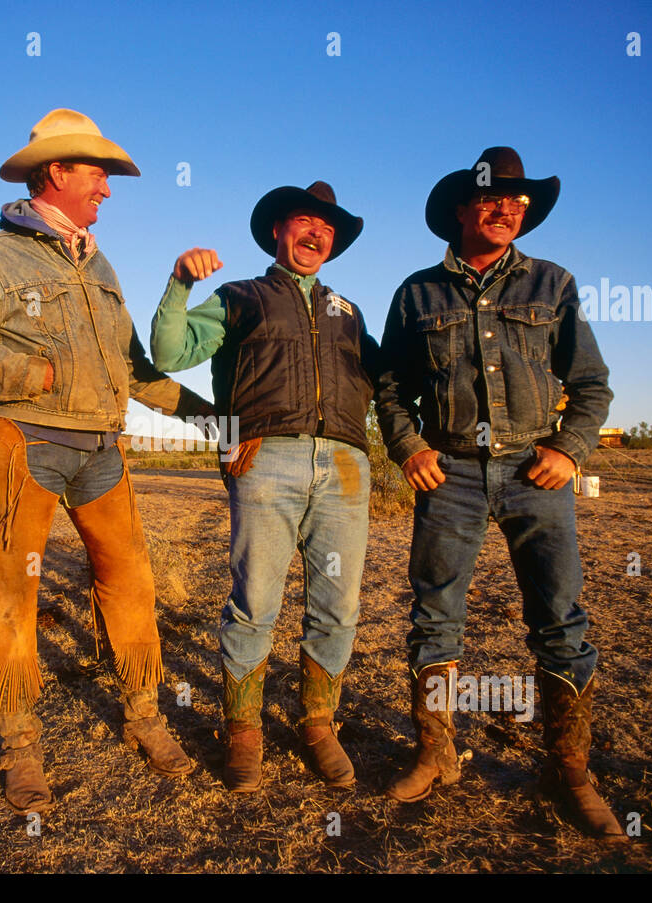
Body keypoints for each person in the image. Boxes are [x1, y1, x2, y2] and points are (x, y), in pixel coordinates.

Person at [0, 108, 211, 814]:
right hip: (27, 444)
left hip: (103, 450)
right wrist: (34, 375)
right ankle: (19, 744)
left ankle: (144, 715)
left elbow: (134, 369)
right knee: (15, 593)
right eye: (98, 173)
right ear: (57, 171)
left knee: (131, 582)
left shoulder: (100, 265)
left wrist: (210, 417)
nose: (108, 188)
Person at [375, 147, 623, 838]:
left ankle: (569, 768)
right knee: (434, 616)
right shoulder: (417, 294)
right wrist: (409, 446)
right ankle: (435, 751)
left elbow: (592, 383)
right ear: (461, 208)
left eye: (518, 201)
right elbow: (390, 386)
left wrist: (568, 450)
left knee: (560, 618)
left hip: (533, 472)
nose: (507, 207)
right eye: (492, 197)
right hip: (448, 474)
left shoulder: (553, 283)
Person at [151, 182, 377, 792]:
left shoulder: (348, 313)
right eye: (304, 220)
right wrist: (180, 282)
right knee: (255, 602)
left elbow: (392, 380)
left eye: (326, 227)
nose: (315, 234)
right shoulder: (241, 297)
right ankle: (244, 731)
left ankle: (317, 724)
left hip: (347, 468)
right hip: (265, 463)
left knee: (339, 606)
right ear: (279, 229)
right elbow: (168, 352)